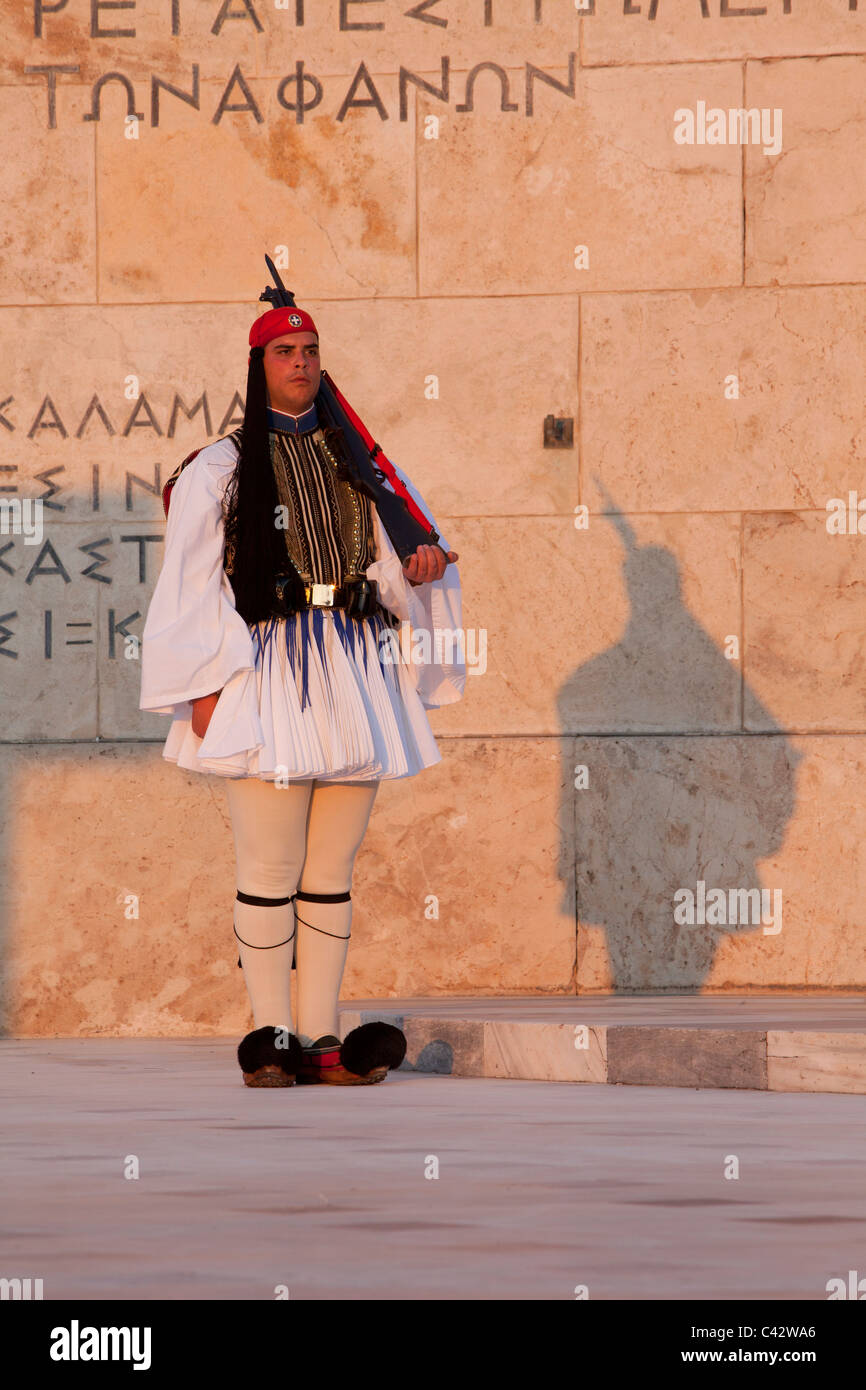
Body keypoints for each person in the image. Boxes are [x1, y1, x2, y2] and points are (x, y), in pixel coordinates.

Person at [139, 296, 465, 1087]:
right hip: (266, 670)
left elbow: (398, 552)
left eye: (311, 349)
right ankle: (271, 1034)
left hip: (354, 667)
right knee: (270, 862)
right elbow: (188, 586)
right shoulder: (219, 467)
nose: (301, 362)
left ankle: (321, 1036)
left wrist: (417, 569)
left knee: (331, 868)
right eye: (285, 351)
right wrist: (204, 690)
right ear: (260, 366)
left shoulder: (363, 465)